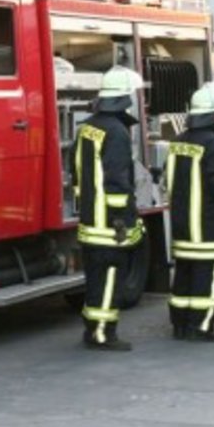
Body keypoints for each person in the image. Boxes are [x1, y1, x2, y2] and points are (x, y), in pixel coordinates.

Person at [74, 66, 147, 351]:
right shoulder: (116, 132)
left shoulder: (88, 128)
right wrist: (120, 220)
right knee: (110, 279)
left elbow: (78, 173)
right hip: (109, 226)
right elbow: (117, 181)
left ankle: (92, 328)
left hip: (90, 220)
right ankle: (104, 334)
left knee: (95, 279)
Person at [164, 82, 214, 341]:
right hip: (208, 227)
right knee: (207, 277)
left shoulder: (177, 142)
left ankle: (180, 325)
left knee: (183, 277)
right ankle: (201, 326)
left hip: (182, 227)